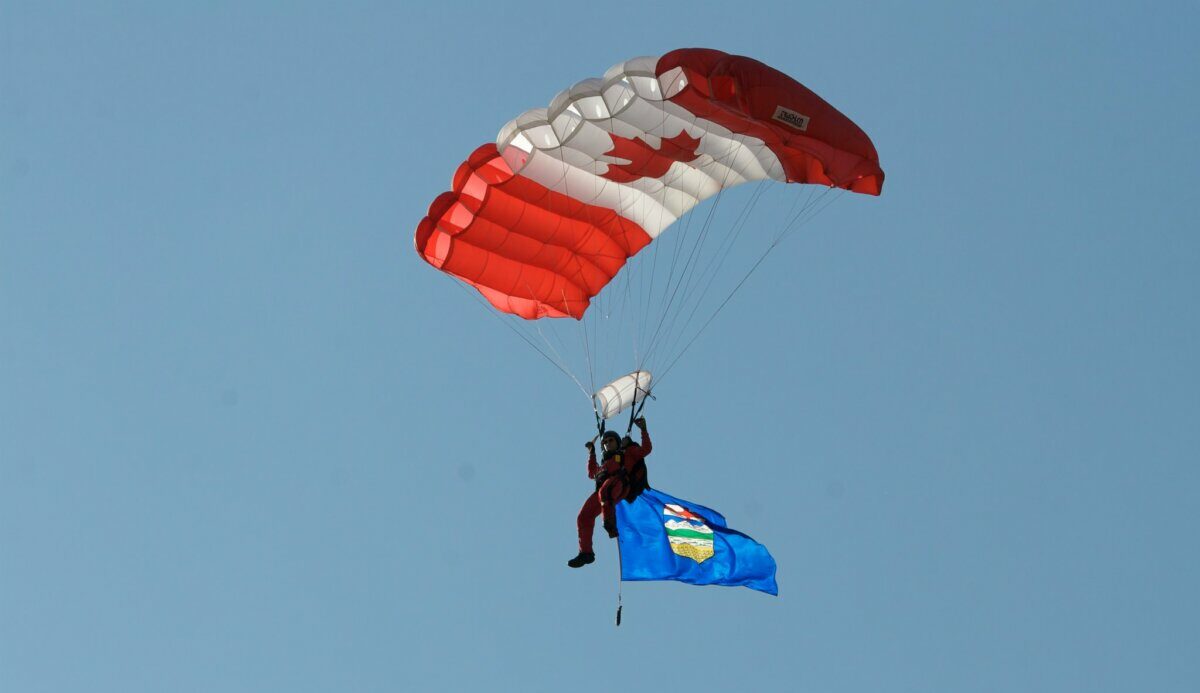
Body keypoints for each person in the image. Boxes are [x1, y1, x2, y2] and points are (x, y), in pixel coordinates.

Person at [567, 416, 651, 568]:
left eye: (610, 440)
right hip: (603, 493)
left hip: (619, 485)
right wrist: (592, 452)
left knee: (605, 490)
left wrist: (643, 430)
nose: (607, 444)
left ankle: (610, 524)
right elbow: (592, 473)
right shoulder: (604, 465)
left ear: (617, 442)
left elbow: (646, 450)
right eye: (604, 442)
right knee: (583, 516)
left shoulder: (627, 453)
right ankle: (586, 553)